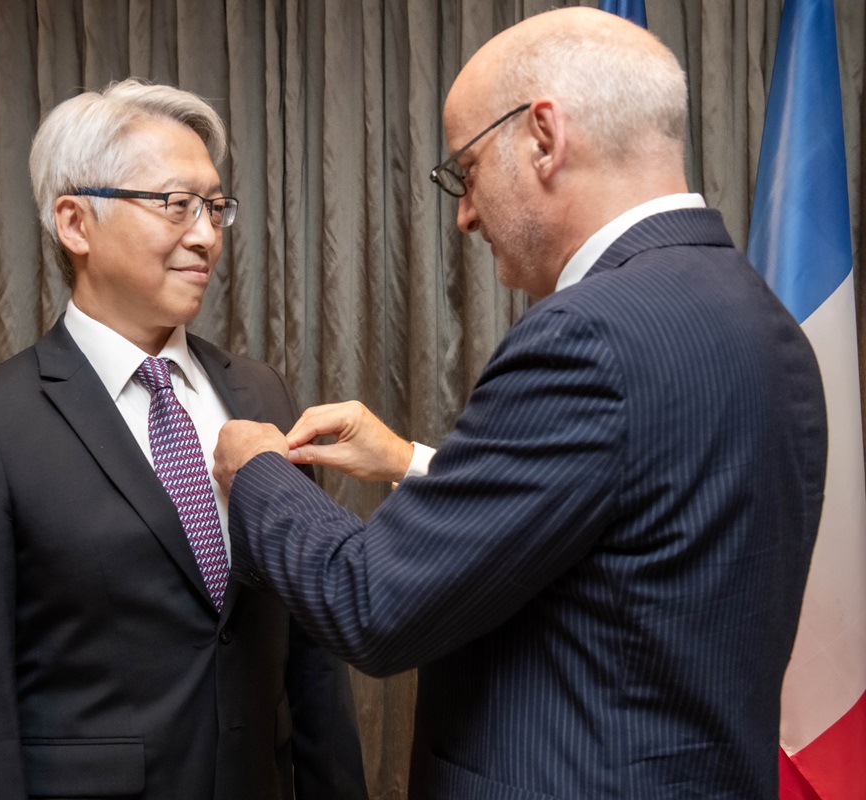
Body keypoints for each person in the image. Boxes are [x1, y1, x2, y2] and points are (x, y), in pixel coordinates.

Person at [213, 8, 827, 799]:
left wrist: (258, 470)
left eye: (465, 172)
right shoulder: (763, 318)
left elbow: (370, 601)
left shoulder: (588, 334)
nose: (465, 214)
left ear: (543, 136)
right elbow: (637, 522)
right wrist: (411, 462)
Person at [0, 79, 368, 800]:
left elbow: (309, 657)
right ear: (75, 223)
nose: (207, 235)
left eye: (215, 207)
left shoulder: (260, 394)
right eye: (176, 205)